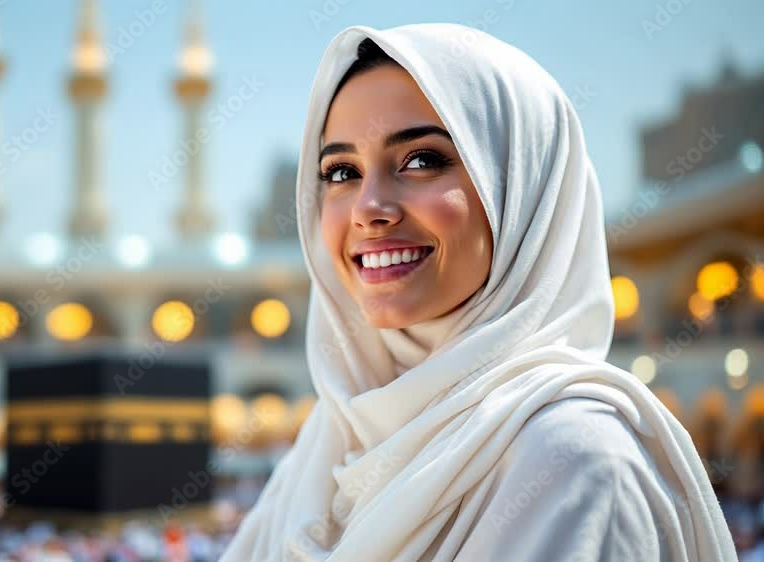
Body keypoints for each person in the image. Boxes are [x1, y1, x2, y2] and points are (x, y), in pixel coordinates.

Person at [219, 23, 738, 561]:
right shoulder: (327, 449)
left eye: (421, 161)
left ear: (522, 192)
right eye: (341, 171)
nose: (369, 207)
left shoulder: (574, 460)